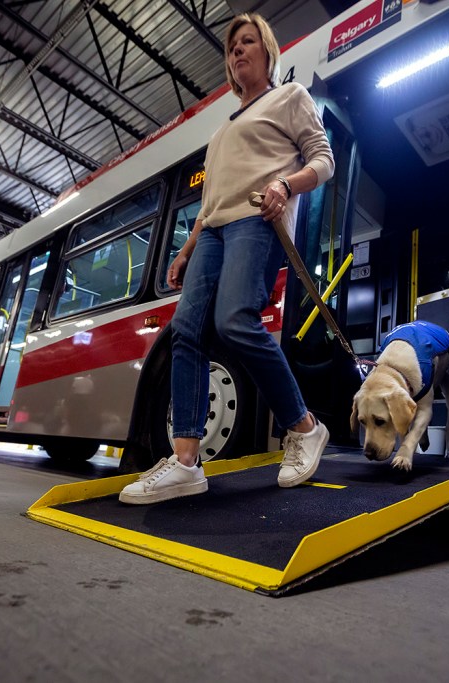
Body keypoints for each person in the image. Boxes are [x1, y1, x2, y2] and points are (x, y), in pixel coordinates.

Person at [120, 13, 335, 505]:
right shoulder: (221, 132)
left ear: (268, 50)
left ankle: (303, 427)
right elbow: (211, 201)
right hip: (213, 232)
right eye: (232, 47)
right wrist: (187, 246)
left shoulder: (289, 97)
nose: (237, 51)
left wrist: (285, 184)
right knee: (187, 332)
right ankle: (187, 462)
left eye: (247, 42)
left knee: (236, 320)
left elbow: (323, 158)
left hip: (257, 220)